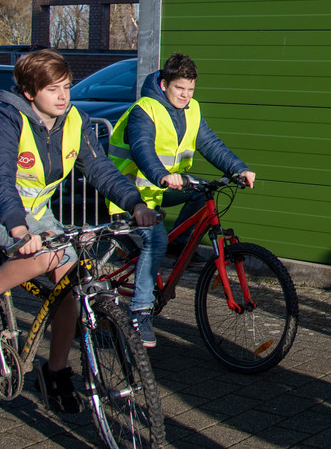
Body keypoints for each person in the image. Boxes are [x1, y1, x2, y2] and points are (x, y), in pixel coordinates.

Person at [0, 49, 159, 415]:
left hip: (36, 212)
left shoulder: (73, 121)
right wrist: (18, 228)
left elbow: (101, 170)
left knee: (71, 280)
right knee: (46, 254)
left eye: (66, 86)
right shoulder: (6, 119)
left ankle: (55, 371)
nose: (64, 96)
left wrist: (136, 204)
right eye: (54, 89)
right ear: (31, 92)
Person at [108, 52, 255, 348]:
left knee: (204, 193)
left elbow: (210, 144)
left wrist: (238, 167)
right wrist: (161, 174)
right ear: (164, 84)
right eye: (179, 90)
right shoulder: (145, 110)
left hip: (161, 190)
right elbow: (141, 149)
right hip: (131, 195)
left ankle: (181, 243)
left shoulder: (192, 110)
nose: (185, 96)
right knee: (155, 240)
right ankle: (139, 312)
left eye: (190, 90)